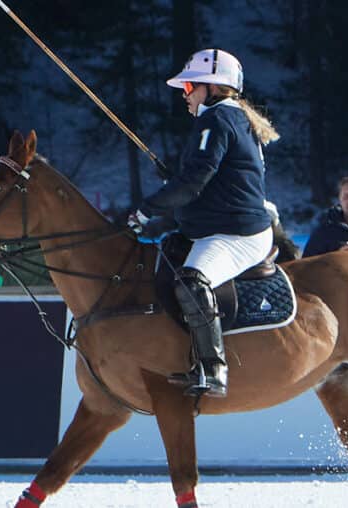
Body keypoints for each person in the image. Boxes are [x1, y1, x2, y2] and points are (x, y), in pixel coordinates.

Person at [134, 48, 282, 397]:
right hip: (221, 225)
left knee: (191, 281)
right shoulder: (230, 118)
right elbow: (212, 177)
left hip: (238, 234)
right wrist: (178, 181)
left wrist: (148, 208)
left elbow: (194, 183)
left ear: (212, 88)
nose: (184, 96)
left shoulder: (216, 119)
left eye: (188, 88)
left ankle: (213, 370)